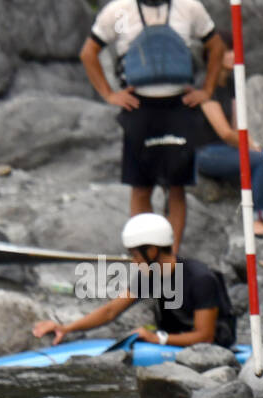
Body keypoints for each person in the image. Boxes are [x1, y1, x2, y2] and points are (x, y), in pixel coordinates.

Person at [80, 0, 226, 254]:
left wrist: (207, 90)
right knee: (141, 186)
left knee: (176, 186)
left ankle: (171, 255)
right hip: (139, 107)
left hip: (179, 105)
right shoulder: (119, 10)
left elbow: (216, 46)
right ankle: (143, 254)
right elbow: (88, 52)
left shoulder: (189, 7)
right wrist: (109, 94)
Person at [33, 213, 236, 349]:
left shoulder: (201, 279)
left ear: (152, 250)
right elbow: (110, 311)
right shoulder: (150, 275)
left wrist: (159, 339)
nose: (133, 261)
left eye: (135, 255)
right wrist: (66, 328)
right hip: (173, 342)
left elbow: (205, 336)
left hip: (214, 347)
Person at [193, 40, 263, 236]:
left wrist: (252, 144)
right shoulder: (204, 86)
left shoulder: (229, 84)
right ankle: (255, 218)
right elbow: (225, 132)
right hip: (205, 153)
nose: (234, 54)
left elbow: (238, 128)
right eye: (228, 50)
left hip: (228, 149)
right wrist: (251, 147)